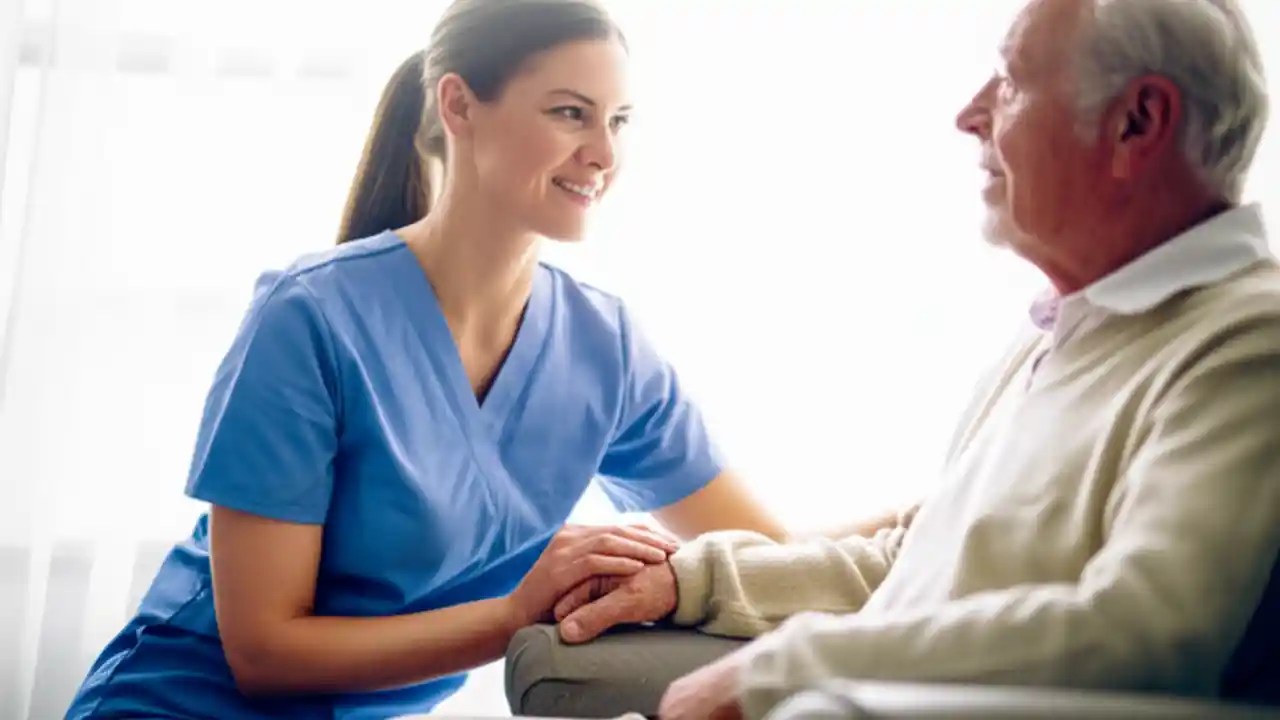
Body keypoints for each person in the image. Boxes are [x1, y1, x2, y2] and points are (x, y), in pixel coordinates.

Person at [62, 1, 872, 716]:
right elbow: (264, 654)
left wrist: (923, 526)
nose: (603, 153)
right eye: (570, 113)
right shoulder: (309, 317)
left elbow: (772, 555)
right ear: (458, 104)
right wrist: (516, 613)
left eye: (620, 120)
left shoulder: (607, 350)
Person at [549, 1, 1280, 718]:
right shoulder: (1064, 328)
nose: (971, 114)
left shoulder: (1248, 341)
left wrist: (787, 669)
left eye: (1011, 82)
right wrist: (692, 580)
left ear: (1137, 124)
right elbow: (922, 560)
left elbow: (1146, 629)